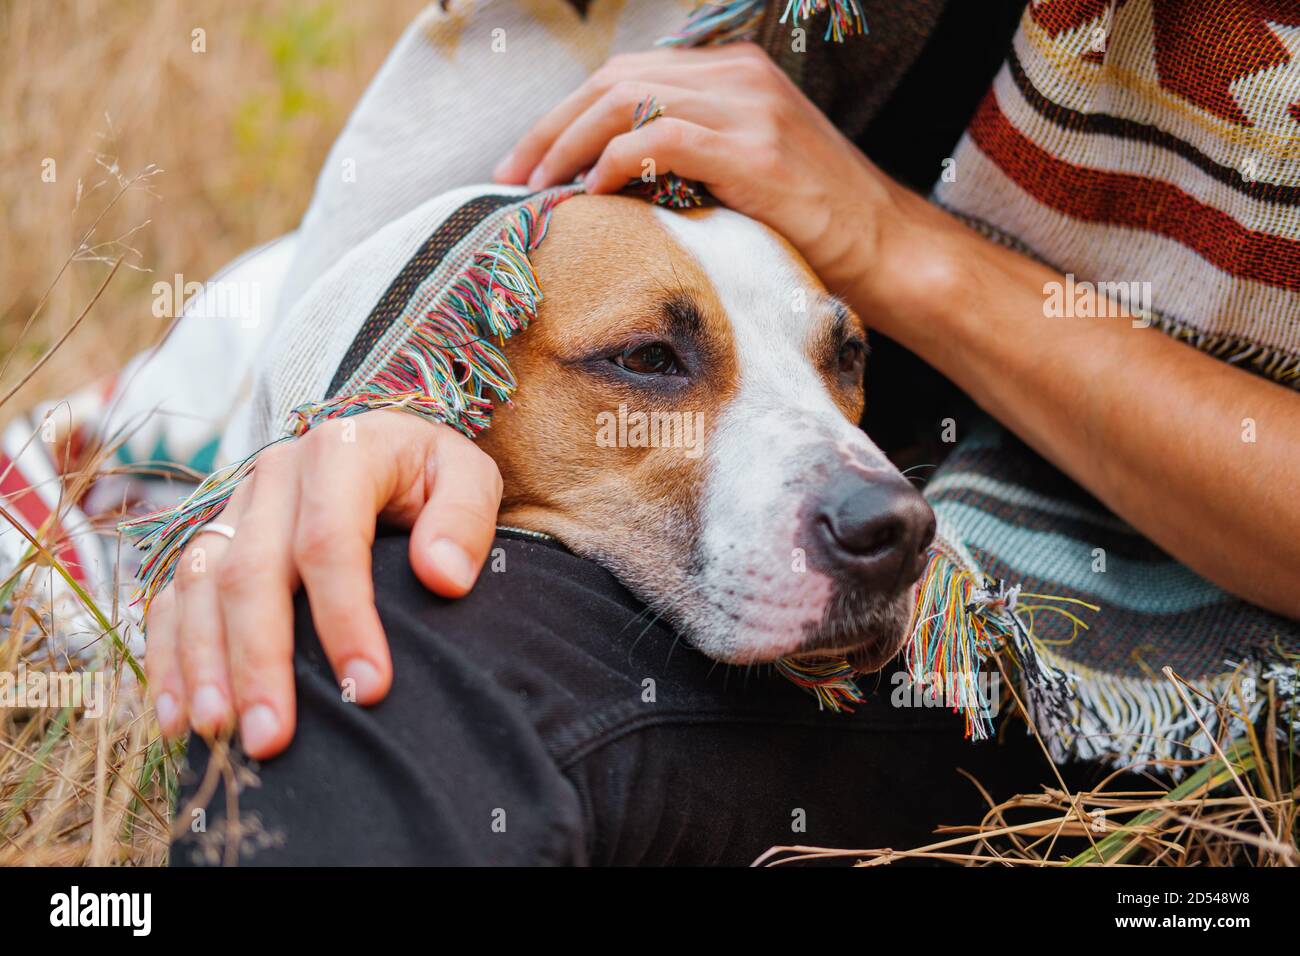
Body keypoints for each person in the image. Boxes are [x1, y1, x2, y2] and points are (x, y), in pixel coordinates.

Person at [153, 1, 1298, 863]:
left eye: (839, 356)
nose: (874, 497)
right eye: (653, 362)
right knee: (359, 610)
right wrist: (389, 398)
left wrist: (885, 239)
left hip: (1100, 655)